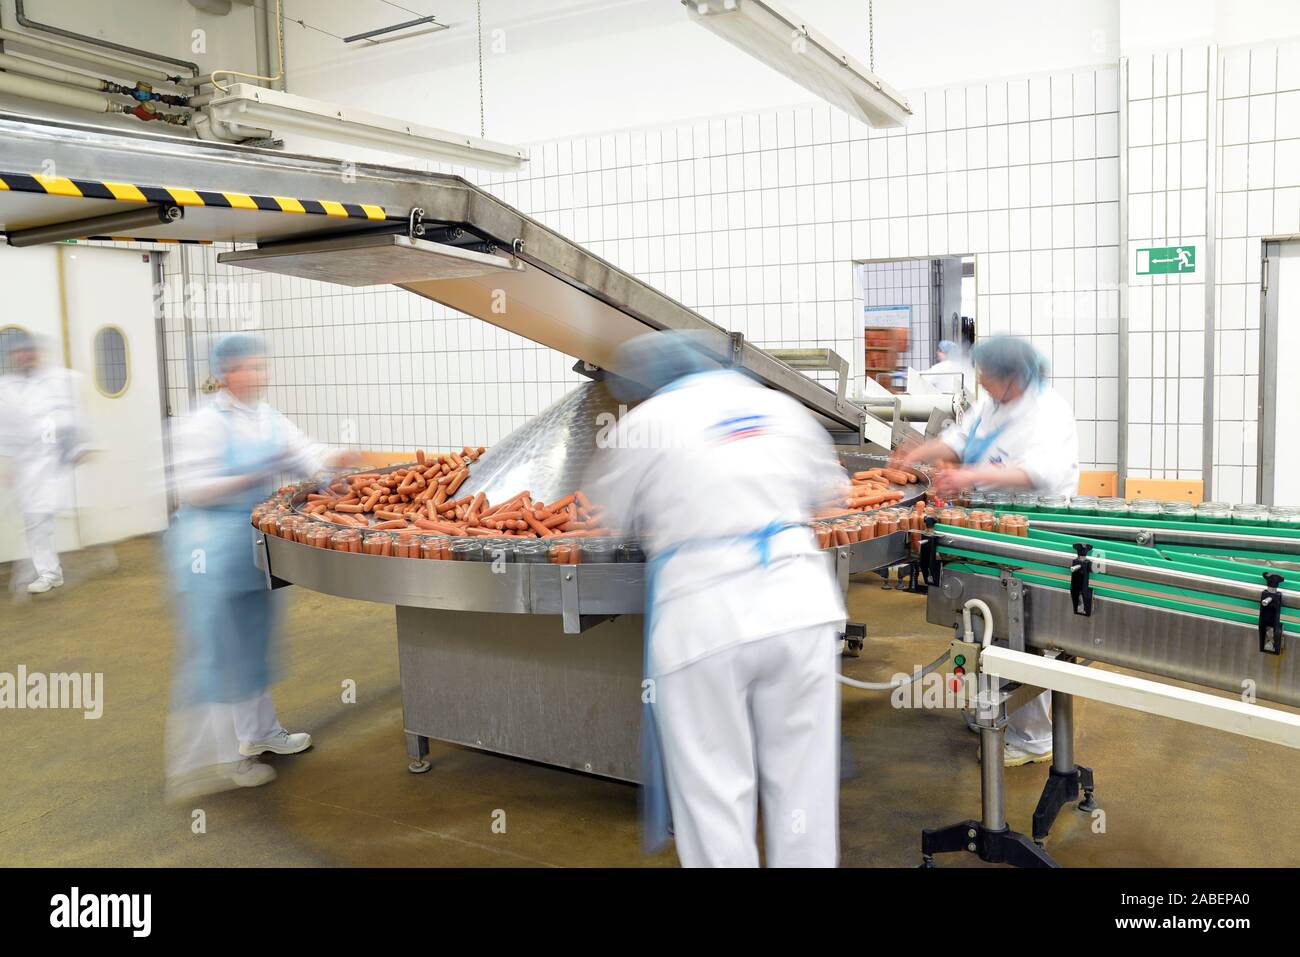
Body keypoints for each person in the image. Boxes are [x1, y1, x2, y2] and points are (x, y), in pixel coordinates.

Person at [590, 331, 849, 867]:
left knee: (715, 793)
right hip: (799, 611)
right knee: (803, 788)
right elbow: (832, 497)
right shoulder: (782, 409)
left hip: (705, 622)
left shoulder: (647, 422)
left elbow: (610, 520)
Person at [164, 333, 355, 800]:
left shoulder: (265, 416)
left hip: (250, 547)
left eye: (259, 367)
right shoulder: (203, 423)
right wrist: (253, 476)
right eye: (244, 368)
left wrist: (336, 460)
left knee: (254, 642)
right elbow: (193, 488)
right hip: (208, 551)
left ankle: (261, 731)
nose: (254, 375)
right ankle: (217, 760)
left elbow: (304, 452)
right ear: (224, 373)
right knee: (219, 653)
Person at [893, 335, 1078, 766]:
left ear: (1015, 378)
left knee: (1020, 628)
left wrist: (968, 475)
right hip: (987, 525)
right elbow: (960, 439)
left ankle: (1033, 737)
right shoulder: (993, 403)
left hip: (1033, 527)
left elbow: (1041, 474)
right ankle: (993, 708)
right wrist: (919, 450)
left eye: (989, 378)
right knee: (982, 620)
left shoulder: (1048, 413)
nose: (982, 384)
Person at [0, 330, 91, 595]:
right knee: (36, 520)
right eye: (19, 353)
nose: (24, 357)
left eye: (28, 352)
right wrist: (6, 461)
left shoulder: (56, 380)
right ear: (13, 357)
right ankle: (49, 572)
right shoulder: (7, 387)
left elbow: (69, 414)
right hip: (27, 465)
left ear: (36, 354)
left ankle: (54, 569)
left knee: (50, 515)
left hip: (55, 460)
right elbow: (5, 426)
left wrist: (79, 445)